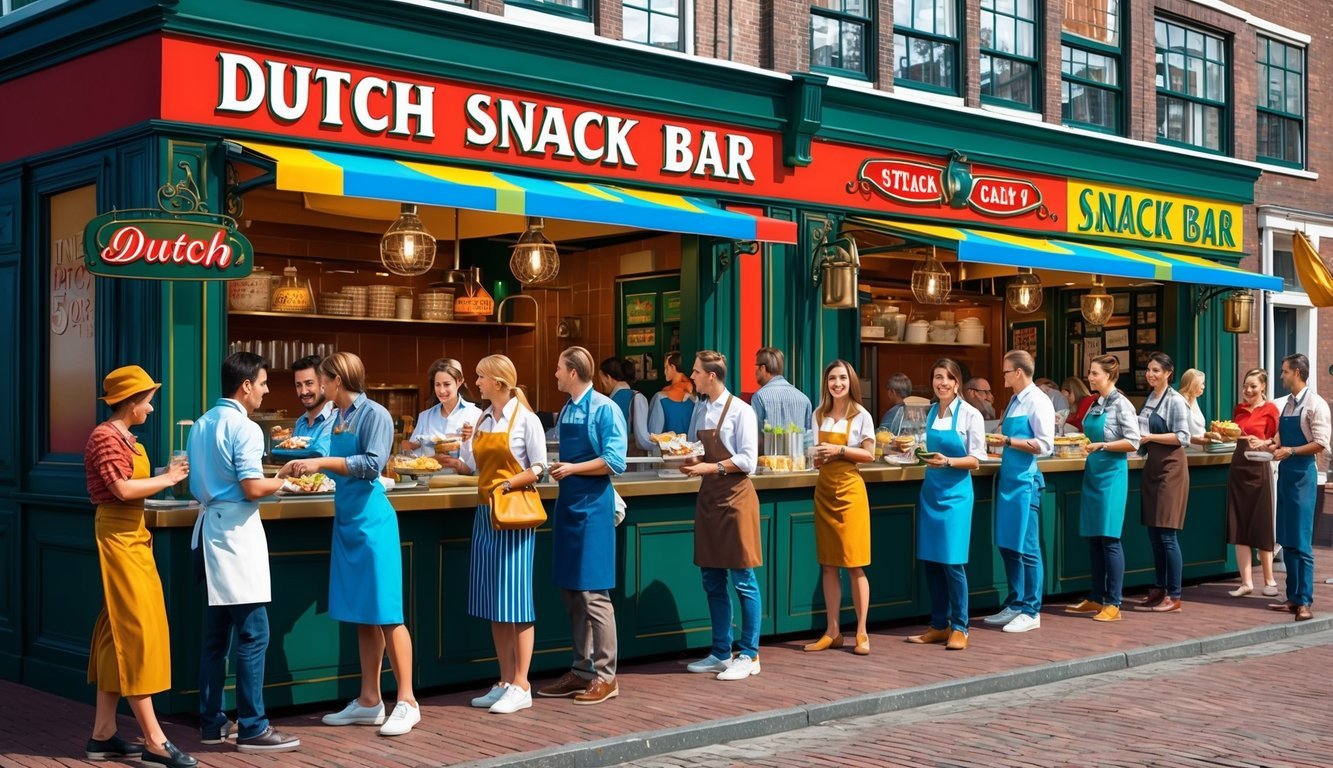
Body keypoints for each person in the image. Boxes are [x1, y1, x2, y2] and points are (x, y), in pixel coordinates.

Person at [281, 351, 420, 736]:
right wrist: (306, 461)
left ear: (336, 381)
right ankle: (370, 700)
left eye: (322, 380)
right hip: (347, 522)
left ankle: (407, 700)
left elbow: (372, 464)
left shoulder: (372, 414)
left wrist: (321, 464)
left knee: (389, 613)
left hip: (373, 523)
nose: (318, 386)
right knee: (362, 614)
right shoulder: (340, 418)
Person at [83, 366, 197, 768]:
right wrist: (168, 478)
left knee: (116, 628)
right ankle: (154, 740)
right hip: (117, 535)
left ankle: (102, 735)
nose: (151, 407)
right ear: (132, 402)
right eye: (148, 400)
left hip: (135, 535)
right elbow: (122, 490)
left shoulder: (126, 438)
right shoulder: (105, 437)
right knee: (136, 631)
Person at [188, 352, 300, 753]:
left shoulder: (200, 424)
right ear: (247, 385)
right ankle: (253, 726)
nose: (268, 390)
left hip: (207, 535)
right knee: (255, 633)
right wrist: (282, 479)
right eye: (264, 383)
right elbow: (252, 488)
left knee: (216, 637)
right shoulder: (247, 428)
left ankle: (212, 721)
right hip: (235, 536)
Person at [536, 347, 627, 705]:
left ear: (573, 372)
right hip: (568, 507)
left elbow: (614, 461)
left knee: (594, 595)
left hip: (593, 509)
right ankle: (581, 669)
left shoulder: (605, 409)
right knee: (572, 592)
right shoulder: (569, 410)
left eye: (559, 368)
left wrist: (572, 469)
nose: (555, 373)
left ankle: (607, 676)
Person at [459, 355, 548, 713]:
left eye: (480, 377)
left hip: (513, 516)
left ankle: (522, 683)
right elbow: (473, 465)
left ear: (498, 382)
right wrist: (458, 456)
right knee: (494, 601)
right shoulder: (482, 418)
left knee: (516, 601)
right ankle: (505, 679)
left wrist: (508, 484)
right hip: (485, 514)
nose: (475, 383)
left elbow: (539, 468)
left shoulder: (527, 420)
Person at [681, 350, 763, 681]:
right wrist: (685, 454)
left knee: (743, 579)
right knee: (711, 578)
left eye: (696, 372)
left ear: (711, 376)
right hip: (709, 499)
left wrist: (710, 467)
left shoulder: (741, 411)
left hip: (736, 499)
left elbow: (748, 460)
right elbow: (696, 448)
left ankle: (750, 654)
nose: (693, 376)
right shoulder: (701, 410)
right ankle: (719, 651)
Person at [906, 359, 986, 651]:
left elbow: (977, 459)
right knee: (931, 562)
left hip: (956, 495)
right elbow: (927, 449)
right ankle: (939, 625)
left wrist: (949, 461)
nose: (941, 383)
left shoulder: (970, 415)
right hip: (931, 492)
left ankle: (960, 627)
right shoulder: (930, 412)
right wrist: (914, 449)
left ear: (957, 382)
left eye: (947, 378)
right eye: (937, 377)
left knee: (952, 563)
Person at [803, 360, 875, 656]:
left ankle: (861, 631)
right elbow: (815, 456)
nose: (837, 384)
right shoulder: (818, 414)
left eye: (843, 378)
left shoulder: (861, 415)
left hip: (850, 491)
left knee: (855, 564)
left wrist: (840, 450)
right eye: (832, 378)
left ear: (851, 381)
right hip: (825, 490)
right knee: (829, 564)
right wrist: (816, 457)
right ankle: (833, 630)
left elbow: (869, 454)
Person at [1065, 355, 1140, 623]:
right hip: (1093, 472)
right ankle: (1096, 597)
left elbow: (1133, 442)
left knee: (1109, 539)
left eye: (1095, 373)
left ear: (1109, 376)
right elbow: (1089, 433)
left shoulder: (1123, 404)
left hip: (1112, 475)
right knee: (1094, 538)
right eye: (1090, 372)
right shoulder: (1095, 403)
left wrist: (1103, 446)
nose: (1090, 377)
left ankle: (1114, 602)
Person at [984, 350, 1053, 633]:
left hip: (1025, 482)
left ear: (1019, 373)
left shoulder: (1039, 401)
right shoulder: (1013, 400)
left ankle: (1032, 610)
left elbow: (1046, 445)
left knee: (1028, 548)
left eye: (1005, 372)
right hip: (1008, 480)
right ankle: (1015, 603)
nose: (1003, 376)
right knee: (1008, 544)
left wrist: (1009, 440)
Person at [1263, 354, 1328, 622]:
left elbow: (1321, 443)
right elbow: (1282, 438)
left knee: (1301, 542)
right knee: (1287, 539)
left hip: (1303, 477)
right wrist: (1272, 445)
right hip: (1286, 475)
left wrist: (1289, 451)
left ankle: (1305, 602)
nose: (1281, 376)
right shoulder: (1287, 405)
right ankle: (1292, 597)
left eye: (1284, 372)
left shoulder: (1316, 405)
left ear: (1298, 373)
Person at [1134, 352, 1192, 613]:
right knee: (1154, 534)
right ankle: (1159, 589)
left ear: (1169, 373)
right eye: (1148, 369)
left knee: (1167, 535)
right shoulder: (1151, 397)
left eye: (1156, 370)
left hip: (1171, 469)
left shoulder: (1176, 401)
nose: (1151, 374)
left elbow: (1183, 437)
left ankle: (1175, 595)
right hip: (1152, 468)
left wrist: (1149, 438)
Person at [1222, 368, 1279, 598]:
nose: (1248, 390)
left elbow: (1277, 442)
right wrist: (1226, 435)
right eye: (1245, 386)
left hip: (1260, 468)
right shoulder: (1239, 409)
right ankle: (1246, 582)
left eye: (1253, 386)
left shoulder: (1271, 410)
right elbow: (1235, 434)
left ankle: (1270, 580)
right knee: (1239, 525)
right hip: (1239, 468)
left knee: (1262, 523)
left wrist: (1263, 442)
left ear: (1263, 387)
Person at [401, 357, 483, 470]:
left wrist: (470, 437)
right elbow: (412, 458)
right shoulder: (425, 416)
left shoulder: (475, 414)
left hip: (464, 483)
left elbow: (481, 458)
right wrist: (409, 446)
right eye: (437, 384)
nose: (442, 390)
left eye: (447, 384)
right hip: (429, 482)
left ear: (459, 382)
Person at [599, 357, 653, 455]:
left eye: (601, 378)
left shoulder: (604, 402)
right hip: (632, 463)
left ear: (608, 378)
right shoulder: (637, 398)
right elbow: (642, 441)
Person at [751, 347, 812, 433]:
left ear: (763, 368)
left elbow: (756, 437)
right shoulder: (804, 399)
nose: (755, 371)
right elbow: (808, 439)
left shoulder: (759, 397)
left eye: (755, 366)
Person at [290, 355, 335, 457]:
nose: (303, 391)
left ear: (323, 384)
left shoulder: (336, 421)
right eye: (298, 385)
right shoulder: (300, 423)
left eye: (309, 383)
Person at [648, 351, 696, 436]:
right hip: (688, 448)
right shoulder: (695, 399)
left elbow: (654, 434)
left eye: (666, 368)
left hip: (667, 447)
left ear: (673, 367)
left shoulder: (661, 397)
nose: (664, 372)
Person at [1179, 368, 1210, 447]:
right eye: (1201, 383)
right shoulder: (1180, 402)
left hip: (1202, 449)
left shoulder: (1194, 399)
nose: (1203, 387)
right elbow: (1178, 433)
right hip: (1188, 451)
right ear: (1192, 384)